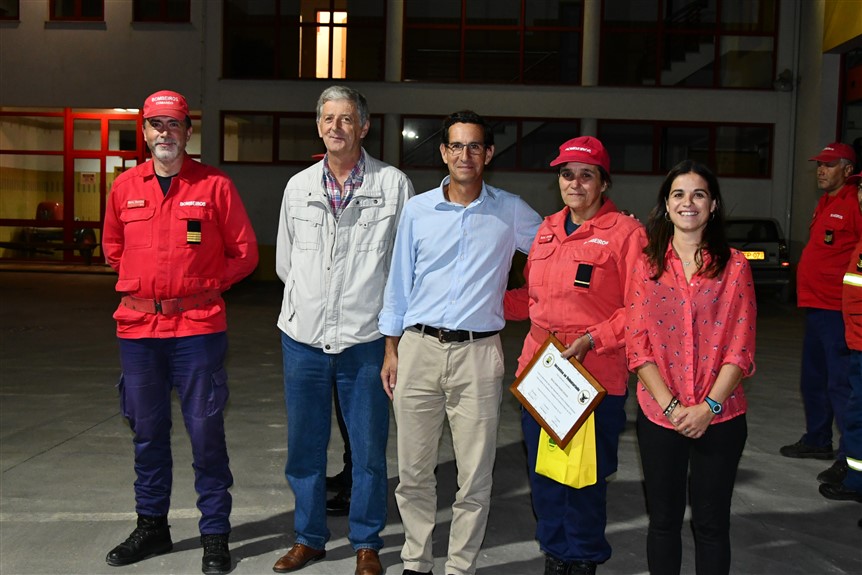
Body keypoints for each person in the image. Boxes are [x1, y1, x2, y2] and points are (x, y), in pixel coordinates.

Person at [102, 90, 259, 574]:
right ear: (144, 132)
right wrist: (146, 287)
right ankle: (153, 527)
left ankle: (215, 532)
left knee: (205, 432)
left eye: (174, 124)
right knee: (147, 433)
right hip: (139, 328)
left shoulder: (215, 186)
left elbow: (245, 253)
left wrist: (205, 286)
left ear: (188, 131)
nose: (165, 133)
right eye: (156, 124)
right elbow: (113, 248)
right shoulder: (124, 187)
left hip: (197, 328)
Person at [378, 110, 542, 575]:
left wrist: (614, 233)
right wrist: (391, 349)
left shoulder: (509, 210)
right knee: (413, 472)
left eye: (475, 146)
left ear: (488, 154)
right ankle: (416, 560)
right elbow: (398, 283)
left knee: (474, 475)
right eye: (456, 146)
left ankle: (460, 565)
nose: (465, 155)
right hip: (418, 350)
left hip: (478, 355)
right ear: (443, 153)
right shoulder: (418, 210)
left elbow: (557, 249)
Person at [272, 85, 414, 575]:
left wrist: (391, 339)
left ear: (364, 126)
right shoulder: (298, 187)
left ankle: (366, 543)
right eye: (328, 118)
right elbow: (286, 264)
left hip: (366, 341)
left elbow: (402, 269)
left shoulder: (393, 185)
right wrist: (313, 308)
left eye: (346, 119)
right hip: (304, 342)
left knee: (370, 449)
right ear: (318, 126)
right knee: (305, 448)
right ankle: (309, 538)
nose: (336, 127)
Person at [503, 136, 646, 575]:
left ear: (603, 182)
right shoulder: (546, 230)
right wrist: (477, 302)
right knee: (544, 471)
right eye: (567, 174)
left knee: (583, 476)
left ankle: (582, 555)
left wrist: (594, 339)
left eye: (587, 175)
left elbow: (641, 307)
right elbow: (532, 298)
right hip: (543, 370)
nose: (576, 183)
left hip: (593, 372)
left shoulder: (626, 234)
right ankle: (554, 550)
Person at [625, 160, 756, 575]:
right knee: (663, 523)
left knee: (711, 524)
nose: (688, 202)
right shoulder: (647, 265)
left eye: (698, 194)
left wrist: (708, 408)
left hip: (720, 416)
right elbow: (637, 344)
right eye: (679, 194)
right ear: (666, 205)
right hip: (659, 416)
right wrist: (669, 407)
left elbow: (741, 347)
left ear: (713, 204)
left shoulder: (735, 266)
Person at [780, 143, 862, 487]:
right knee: (812, 380)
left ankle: (849, 456)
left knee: (840, 384)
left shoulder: (855, 203)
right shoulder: (826, 203)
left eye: (829, 165)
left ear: (847, 169)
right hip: (815, 307)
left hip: (839, 311)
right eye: (819, 165)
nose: (821, 171)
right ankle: (817, 438)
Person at [820, 170, 862, 504]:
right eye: (861, 187)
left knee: (858, 411)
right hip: (853, 337)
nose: (861, 194)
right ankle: (852, 473)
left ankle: (856, 480)